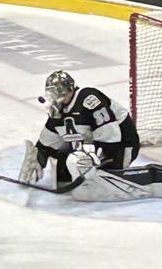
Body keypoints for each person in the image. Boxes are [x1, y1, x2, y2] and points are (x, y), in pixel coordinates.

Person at [19, 70, 149, 190]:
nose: (56, 97)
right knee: (63, 173)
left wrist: (93, 158)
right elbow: (46, 144)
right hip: (93, 148)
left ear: (69, 90)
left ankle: (114, 179)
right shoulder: (58, 111)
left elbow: (111, 137)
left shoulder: (89, 99)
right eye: (53, 93)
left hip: (121, 147)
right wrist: (37, 157)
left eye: (59, 92)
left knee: (76, 162)